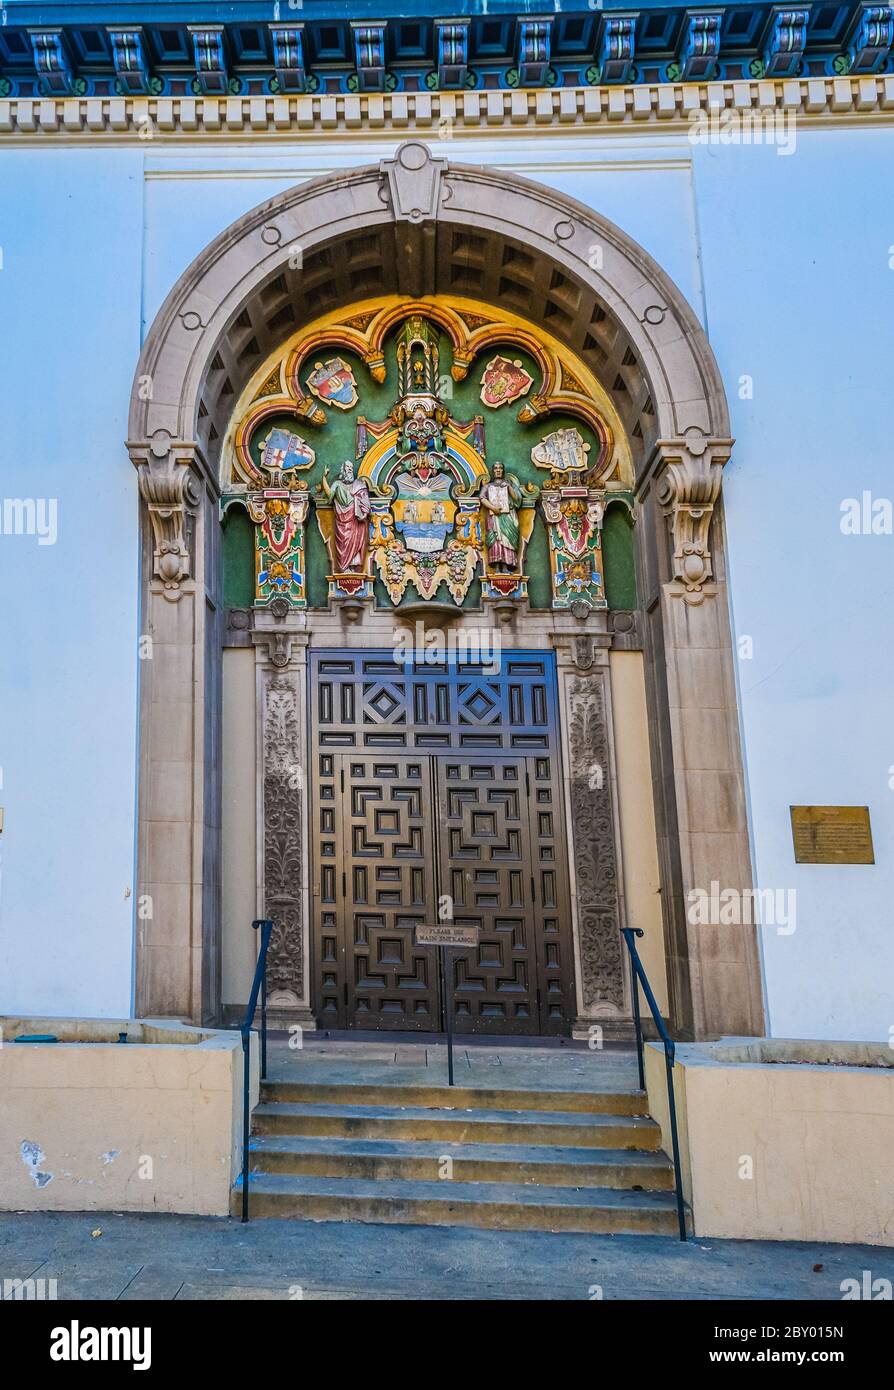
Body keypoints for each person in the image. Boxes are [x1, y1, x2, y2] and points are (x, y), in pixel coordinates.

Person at [321, 461, 371, 572]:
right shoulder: (337, 484)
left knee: (355, 541)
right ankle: (345, 568)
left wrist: (363, 511)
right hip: (342, 521)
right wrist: (324, 477)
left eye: (351, 467)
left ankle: (354, 566)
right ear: (342, 469)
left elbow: (365, 501)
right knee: (344, 542)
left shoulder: (359, 485)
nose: (350, 469)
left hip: (355, 520)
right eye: (347, 467)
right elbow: (329, 495)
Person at [479, 462, 523, 572]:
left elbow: (517, 499)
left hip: (508, 516)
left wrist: (509, 488)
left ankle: (506, 565)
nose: (498, 470)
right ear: (492, 471)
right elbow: (482, 497)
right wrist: (493, 507)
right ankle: (497, 566)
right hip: (494, 517)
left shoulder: (508, 485)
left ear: (503, 471)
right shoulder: (488, 486)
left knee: (507, 537)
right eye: (495, 468)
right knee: (496, 539)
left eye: (500, 468)